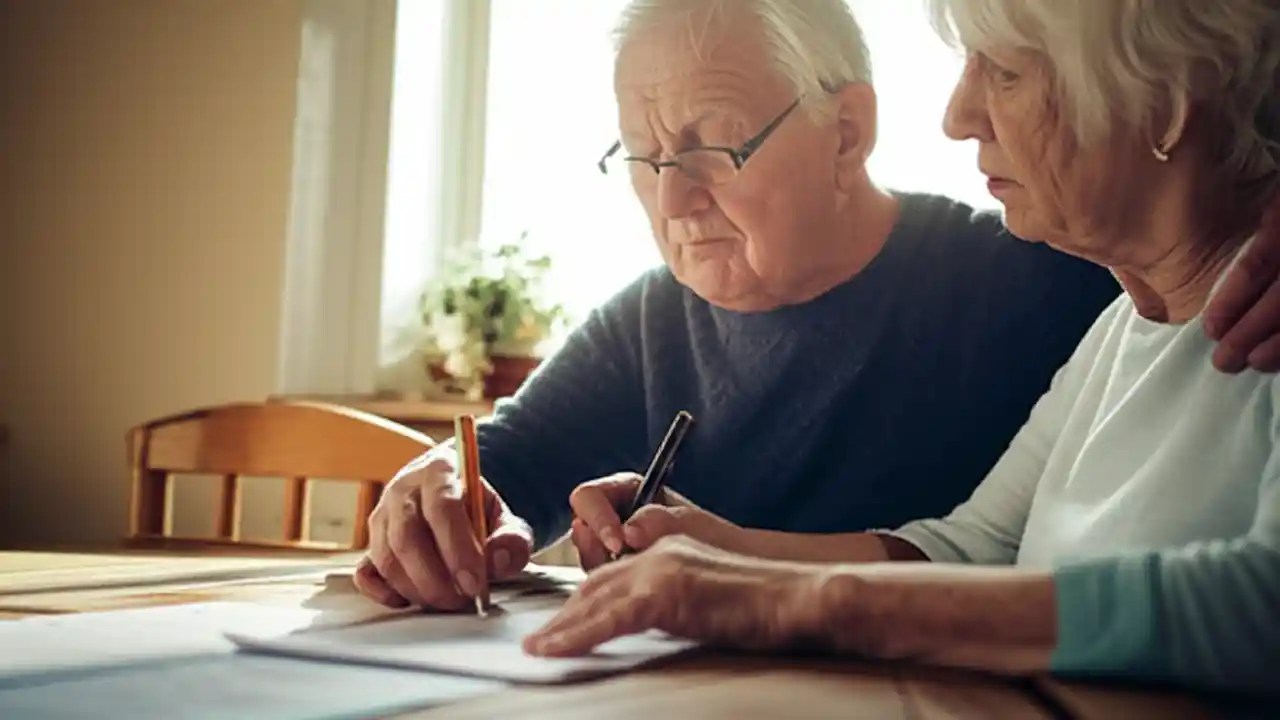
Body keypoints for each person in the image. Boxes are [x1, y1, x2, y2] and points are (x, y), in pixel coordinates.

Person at [353, 0, 1280, 615]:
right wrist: (435, 481)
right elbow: (972, 549)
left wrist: (776, 596)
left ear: (847, 135)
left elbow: (1208, 181)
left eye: (714, 148)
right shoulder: (649, 319)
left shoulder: (1040, 271)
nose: (673, 201)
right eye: (644, 156)